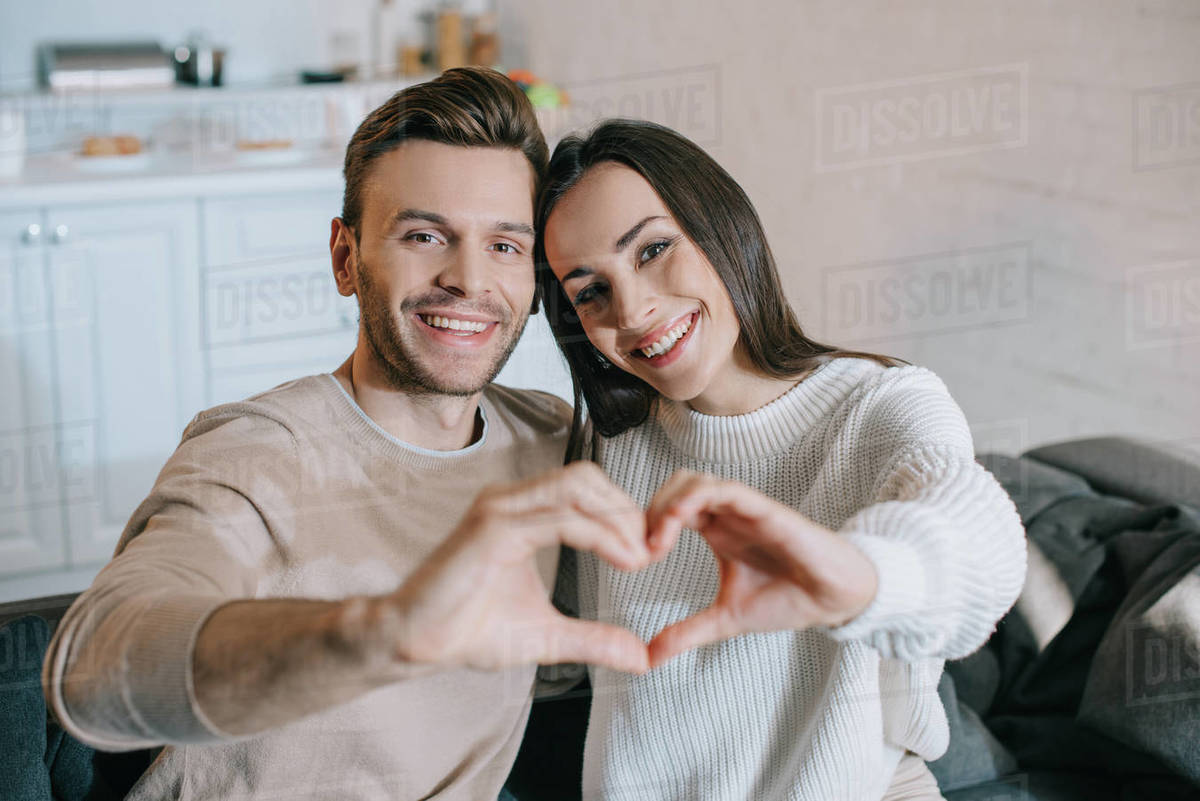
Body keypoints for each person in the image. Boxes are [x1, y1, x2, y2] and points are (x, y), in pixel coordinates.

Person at [41, 68, 657, 801]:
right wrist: (380, 634)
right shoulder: (254, 452)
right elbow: (95, 671)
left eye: (504, 245)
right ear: (345, 257)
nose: (466, 279)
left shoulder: (549, 444)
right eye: (425, 234)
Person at [535, 119, 1029, 801]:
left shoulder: (880, 404)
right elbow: (546, 655)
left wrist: (856, 580)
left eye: (652, 249)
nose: (633, 308)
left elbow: (978, 546)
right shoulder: (604, 450)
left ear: (722, 227)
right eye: (589, 290)